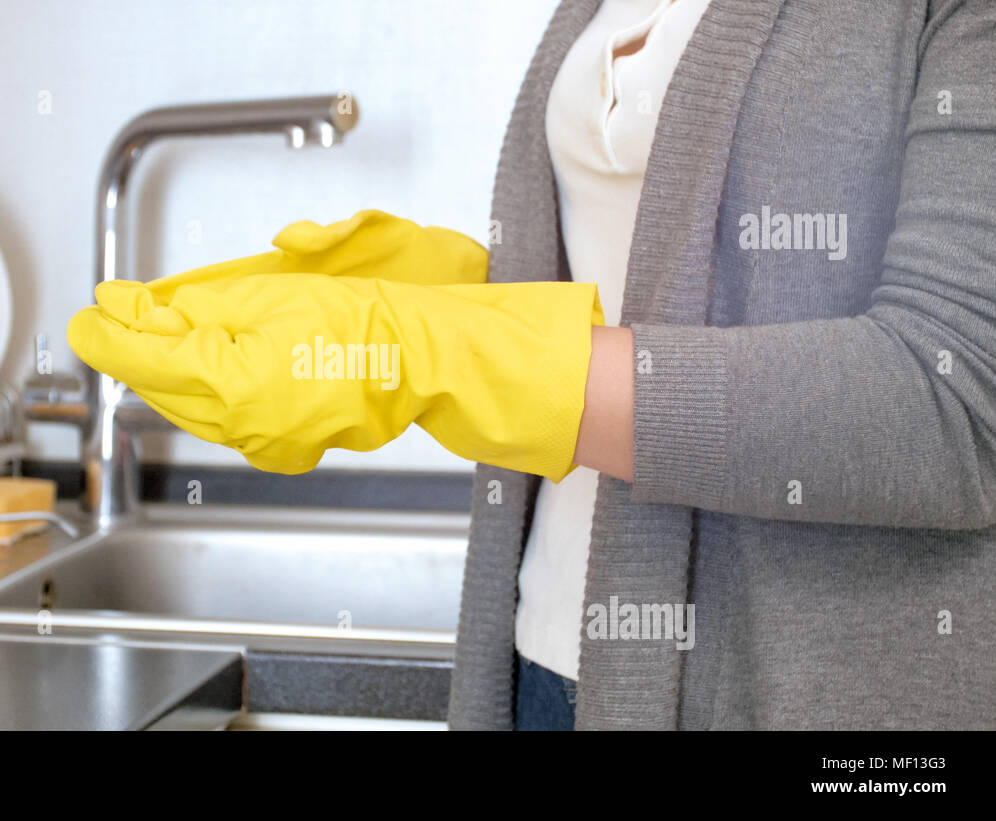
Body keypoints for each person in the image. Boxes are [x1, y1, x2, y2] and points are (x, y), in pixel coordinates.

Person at [70, 0, 996, 730]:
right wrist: (455, 298)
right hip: (542, 661)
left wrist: (448, 354)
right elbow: (652, 274)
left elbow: (955, 401)